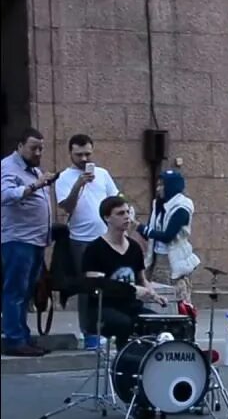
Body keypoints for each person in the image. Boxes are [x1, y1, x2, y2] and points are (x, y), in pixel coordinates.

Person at [54, 134, 120, 338]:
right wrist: (78, 185)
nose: (84, 159)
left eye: (87, 154)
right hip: (81, 240)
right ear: (70, 154)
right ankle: (88, 330)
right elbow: (66, 206)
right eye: (79, 154)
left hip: (106, 238)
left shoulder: (102, 174)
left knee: (109, 283)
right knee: (87, 286)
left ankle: (108, 326)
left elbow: (115, 198)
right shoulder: (64, 177)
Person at [1, 128, 56, 357]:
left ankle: (22, 335)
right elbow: (5, 195)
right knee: (15, 289)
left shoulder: (33, 169)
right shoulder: (7, 167)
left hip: (35, 240)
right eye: (33, 147)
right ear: (20, 145)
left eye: (41, 148)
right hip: (17, 239)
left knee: (26, 291)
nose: (38, 152)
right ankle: (14, 339)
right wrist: (36, 185)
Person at [81, 195, 163, 348]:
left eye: (127, 212)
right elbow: (95, 285)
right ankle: (122, 362)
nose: (127, 217)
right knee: (124, 324)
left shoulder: (134, 247)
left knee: (158, 323)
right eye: (120, 213)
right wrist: (131, 290)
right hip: (103, 308)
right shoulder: (95, 249)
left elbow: (142, 279)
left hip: (131, 306)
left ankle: (146, 363)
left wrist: (153, 293)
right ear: (107, 218)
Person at [142, 169, 198, 304]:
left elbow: (168, 236)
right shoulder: (158, 204)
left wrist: (141, 228)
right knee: (158, 299)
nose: (158, 189)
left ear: (172, 187)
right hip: (157, 259)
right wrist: (141, 229)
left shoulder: (182, 207)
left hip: (175, 260)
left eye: (162, 185)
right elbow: (151, 233)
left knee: (179, 301)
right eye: (158, 184)